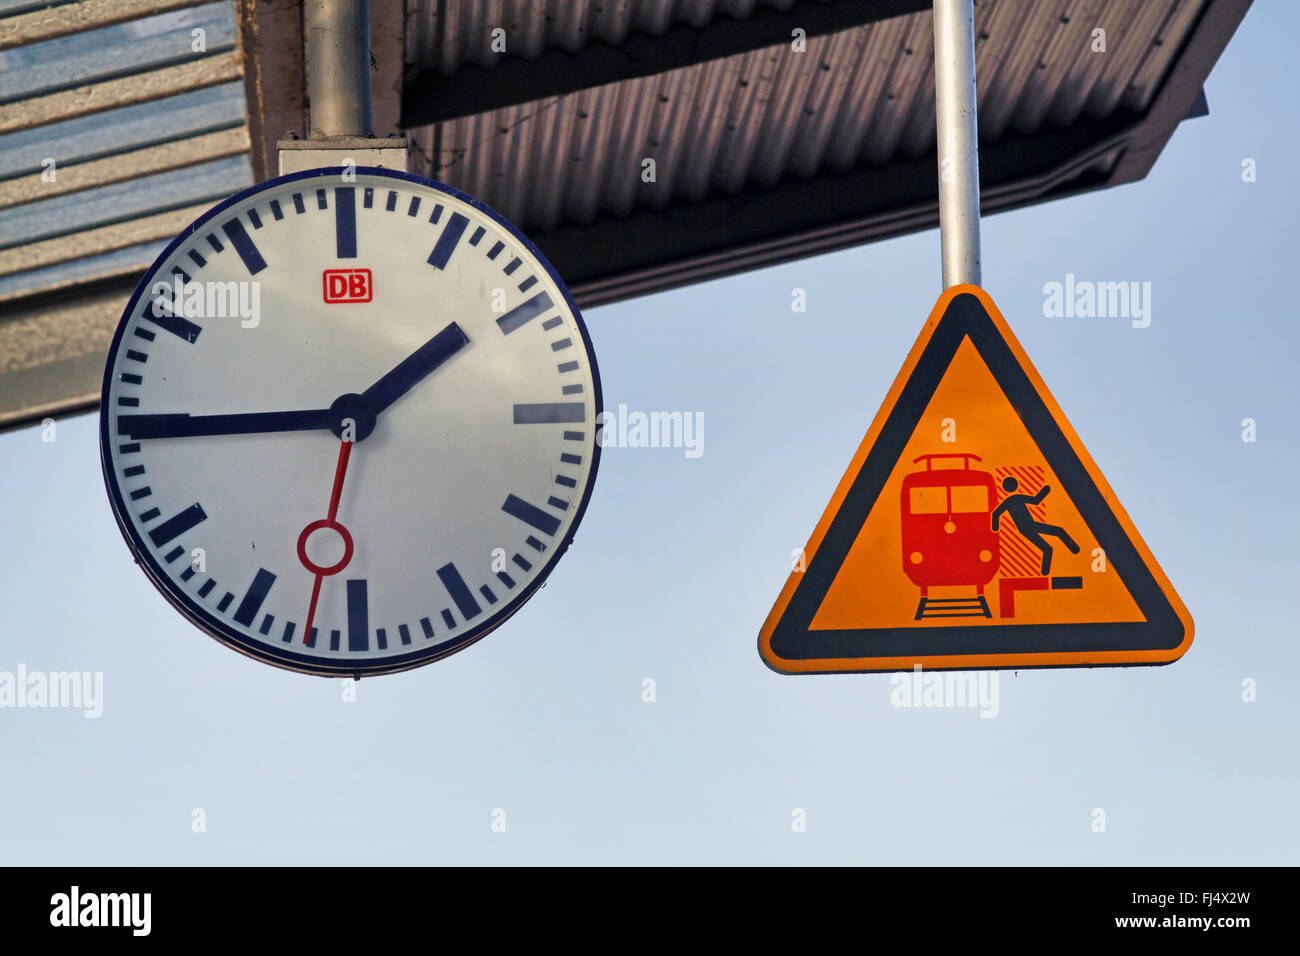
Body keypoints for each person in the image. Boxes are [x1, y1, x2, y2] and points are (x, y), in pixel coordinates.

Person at [990, 476, 1079, 575]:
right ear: (1014, 486)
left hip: (1025, 528)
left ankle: (1045, 573)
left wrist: (995, 528)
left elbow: (995, 514)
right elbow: (1036, 500)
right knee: (1058, 532)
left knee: (1047, 548)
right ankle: (1075, 550)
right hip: (1030, 526)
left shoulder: (1008, 501)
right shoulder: (1018, 498)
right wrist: (1046, 489)